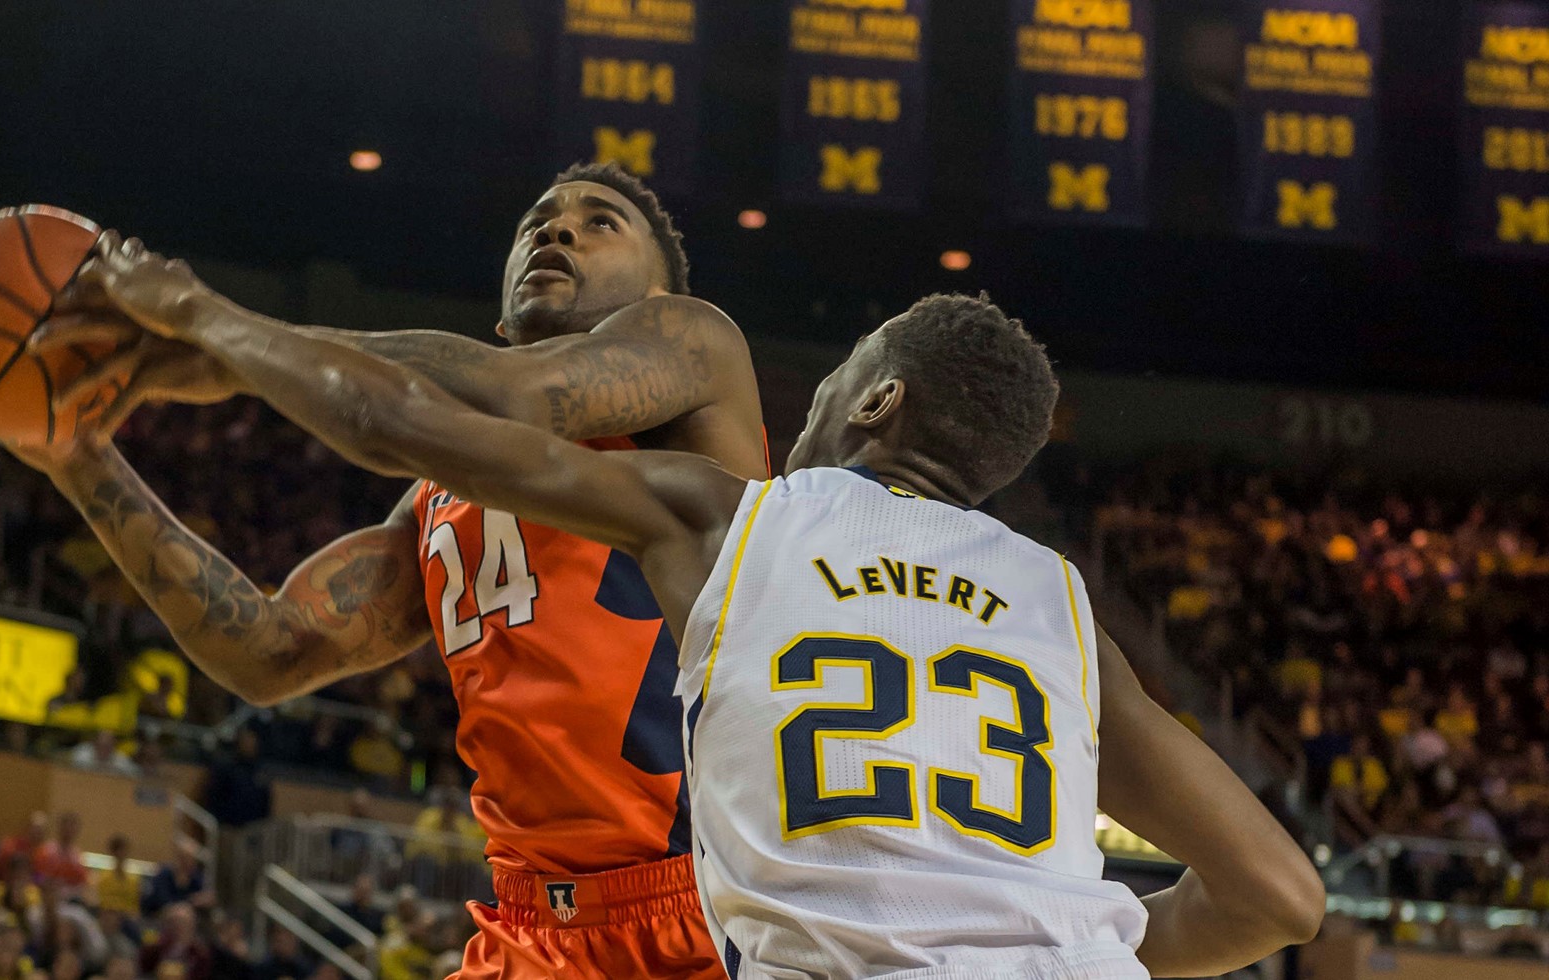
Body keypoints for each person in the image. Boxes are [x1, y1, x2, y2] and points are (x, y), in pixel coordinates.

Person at [95, 282, 1330, 977]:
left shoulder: (735, 523)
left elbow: (406, 425)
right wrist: (1094, 948)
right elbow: (1279, 892)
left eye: (842, 366)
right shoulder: (1064, 608)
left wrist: (203, 324)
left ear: (877, 398)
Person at [12, 163, 765, 979]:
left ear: (657, 297)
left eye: (601, 222)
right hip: (527, 932)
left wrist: (214, 327)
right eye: (537, 220)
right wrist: (79, 459)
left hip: (702, 914)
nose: (557, 230)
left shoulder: (695, 348)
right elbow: (271, 651)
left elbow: (512, 398)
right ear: (504, 313)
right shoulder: (440, 501)